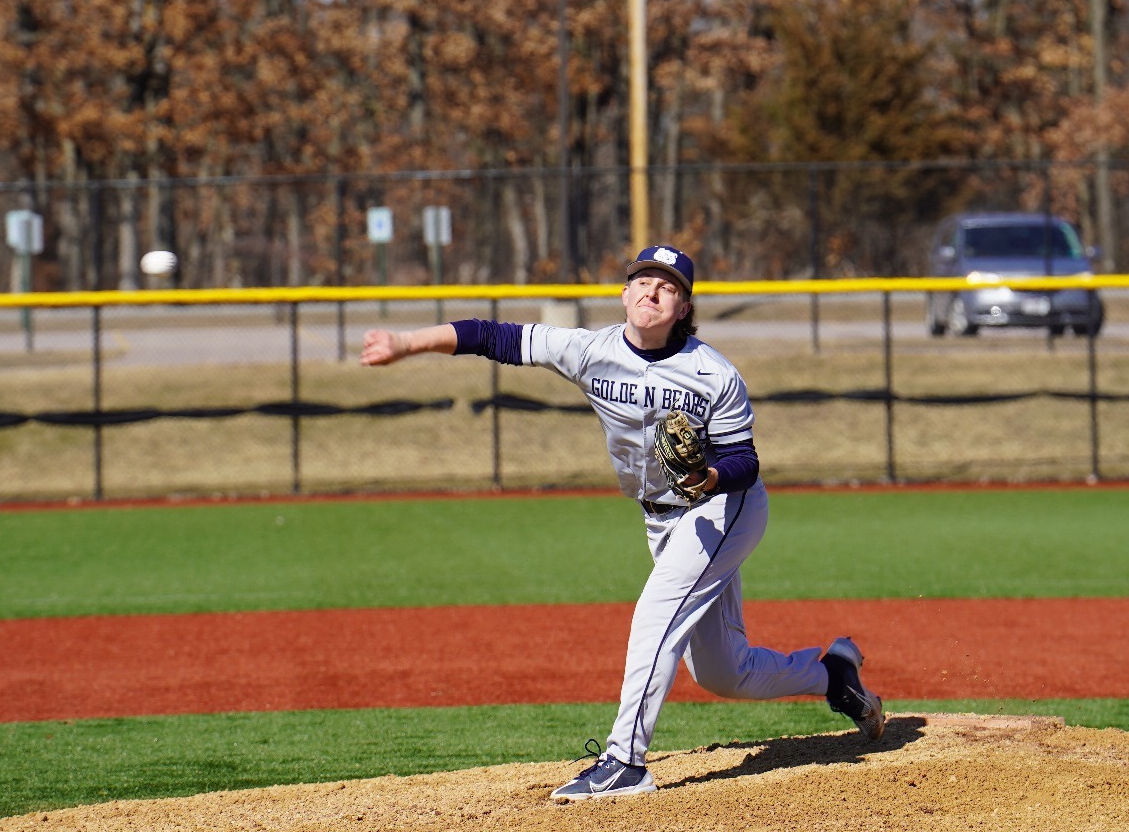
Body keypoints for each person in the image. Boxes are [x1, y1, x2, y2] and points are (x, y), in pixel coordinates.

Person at [360, 244, 885, 801]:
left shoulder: (714, 374)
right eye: (642, 282)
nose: (651, 293)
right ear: (625, 293)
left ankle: (625, 763)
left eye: (667, 287)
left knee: (656, 613)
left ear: (683, 307)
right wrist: (406, 343)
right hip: (661, 519)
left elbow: (745, 462)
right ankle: (833, 674)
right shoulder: (590, 350)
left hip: (721, 509)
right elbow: (493, 336)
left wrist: (708, 476)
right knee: (723, 674)